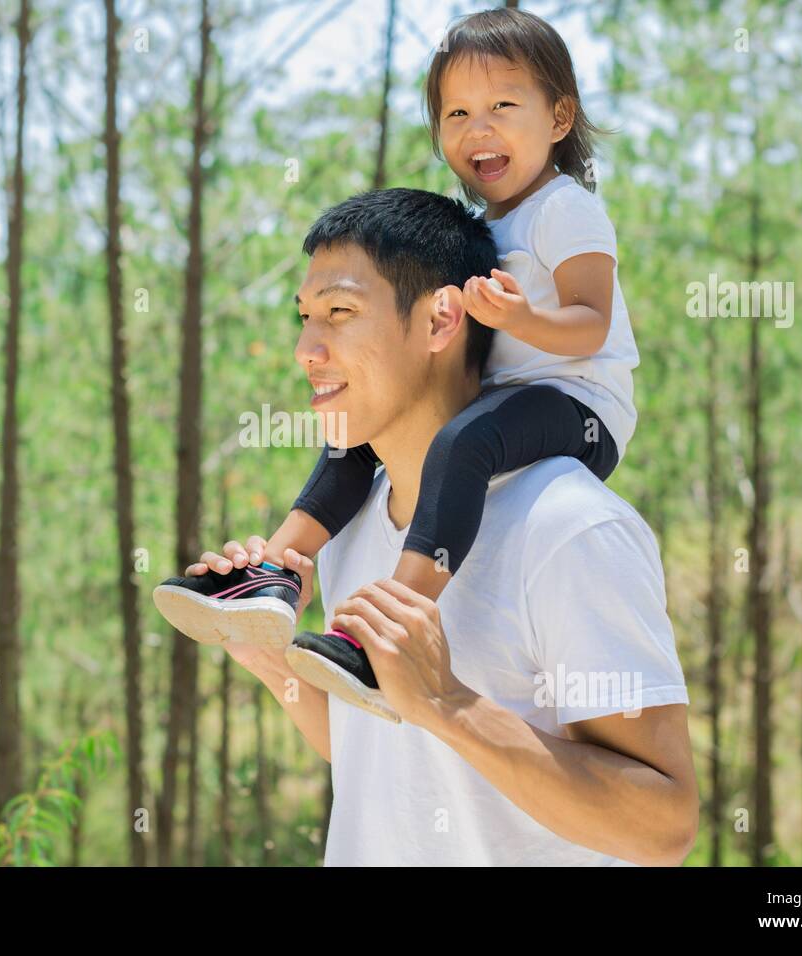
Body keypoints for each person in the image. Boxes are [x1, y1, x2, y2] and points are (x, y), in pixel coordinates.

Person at [166, 186, 695, 865]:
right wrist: (273, 660)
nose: (306, 349)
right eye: (304, 317)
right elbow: (376, 751)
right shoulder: (352, 527)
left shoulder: (567, 528)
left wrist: (450, 702)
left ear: (442, 319)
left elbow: (664, 828)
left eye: (340, 313)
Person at [155, 8, 640, 710]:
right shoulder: (480, 228)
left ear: (560, 117)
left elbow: (592, 326)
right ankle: (274, 572)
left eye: (504, 106)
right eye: (457, 113)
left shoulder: (566, 210)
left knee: (466, 440)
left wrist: (523, 318)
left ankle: (388, 631)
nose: (479, 130)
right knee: (355, 435)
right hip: (501, 400)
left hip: (577, 407)